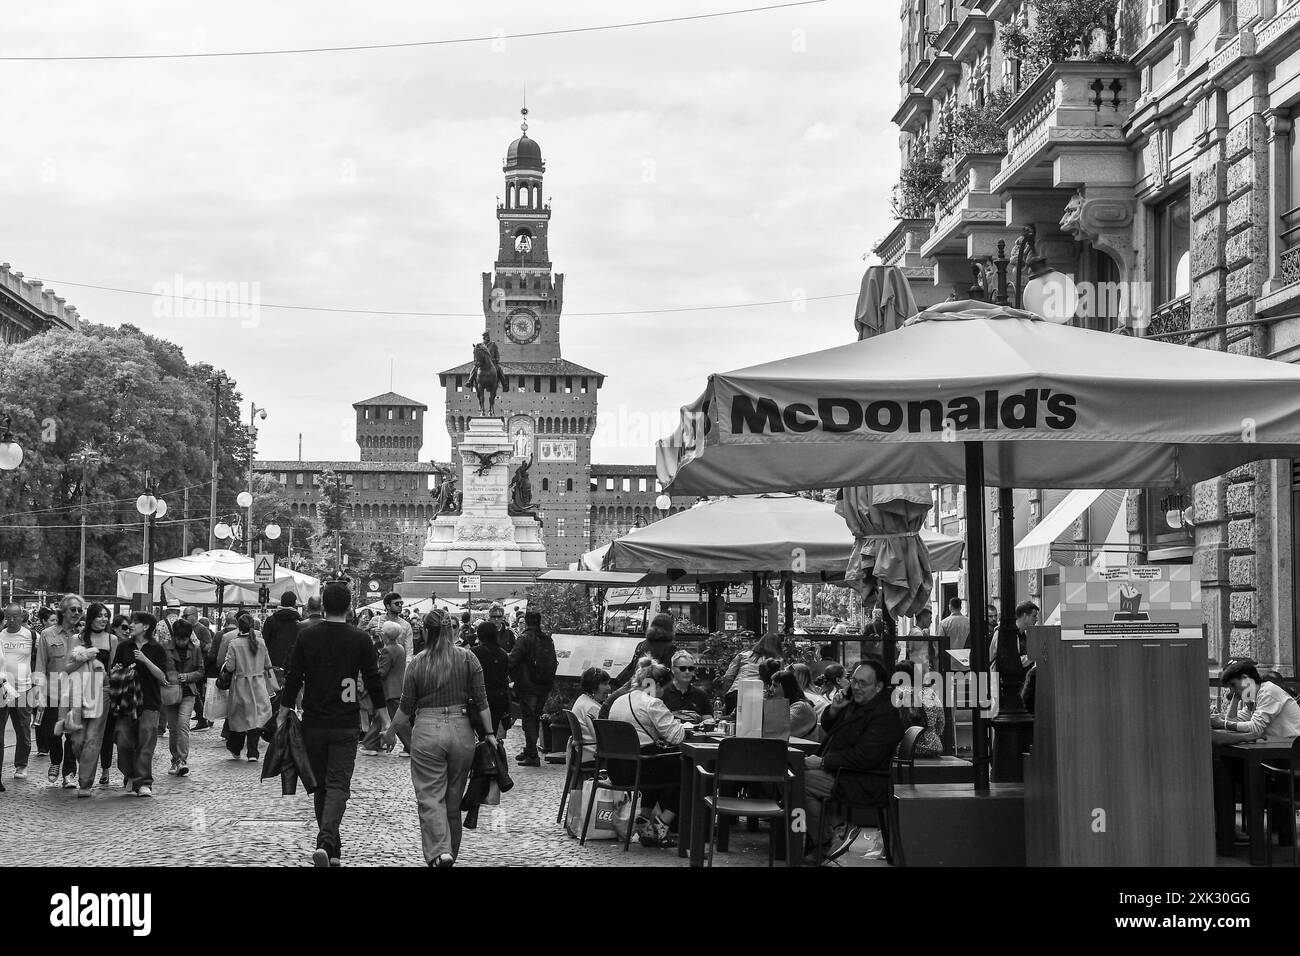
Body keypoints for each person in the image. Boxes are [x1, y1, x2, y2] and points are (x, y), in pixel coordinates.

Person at [279, 581, 388, 867]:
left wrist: (283, 710)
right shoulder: (360, 639)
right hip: (346, 722)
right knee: (338, 784)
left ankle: (328, 845)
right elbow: (373, 679)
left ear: (323, 606)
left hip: (314, 721)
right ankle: (329, 844)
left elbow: (294, 677)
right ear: (350, 607)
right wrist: (384, 715)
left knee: (320, 786)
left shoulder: (307, 636)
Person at [382, 610, 495, 867]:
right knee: (453, 801)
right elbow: (482, 702)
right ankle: (450, 857)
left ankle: (440, 851)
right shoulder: (468, 659)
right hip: (462, 730)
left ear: (425, 631)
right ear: (451, 630)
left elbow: (405, 708)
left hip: (428, 732)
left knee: (431, 797)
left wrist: (390, 733)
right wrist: (489, 734)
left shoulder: (418, 663)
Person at [802, 659, 904, 863]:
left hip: (862, 780)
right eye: (853, 681)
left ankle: (832, 834)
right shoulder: (857, 704)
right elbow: (831, 729)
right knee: (791, 774)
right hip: (841, 771)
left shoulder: (885, 715)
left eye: (863, 683)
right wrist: (835, 709)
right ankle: (830, 830)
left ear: (879, 686)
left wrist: (822, 763)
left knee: (797, 781)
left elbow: (864, 757)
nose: (856, 687)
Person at [607, 660, 685, 845]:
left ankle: (645, 817)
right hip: (639, 769)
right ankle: (661, 826)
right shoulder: (652, 703)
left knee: (659, 766)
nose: (663, 693)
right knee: (685, 769)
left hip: (616, 769)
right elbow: (676, 736)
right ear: (655, 685)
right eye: (662, 688)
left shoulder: (619, 701)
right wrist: (684, 725)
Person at [112, 612, 170, 797]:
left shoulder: (157, 649)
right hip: (127, 701)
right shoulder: (123, 647)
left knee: (146, 742)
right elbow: (115, 670)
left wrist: (145, 660)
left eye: (135, 622)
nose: (131, 625)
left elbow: (163, 677)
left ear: (145, 627)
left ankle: (144, 782)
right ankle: (130, 773)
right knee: (122, 739)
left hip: (149, 701)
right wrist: (118, 671)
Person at [65, 603, 117, 797]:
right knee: (77, 740)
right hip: (78, 690)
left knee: (94, 738)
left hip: (102, 691)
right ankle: (86, 765)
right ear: (91, 618)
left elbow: (113, 670)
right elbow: (67, 668)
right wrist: (82, 657)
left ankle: (85, 783)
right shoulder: (75, 639)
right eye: (100, 616)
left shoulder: (112, 639)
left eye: (106, 616)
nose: (103, 619)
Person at [34, 594, 85, 787]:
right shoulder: (48, 634)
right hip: (53, 691)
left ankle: (69, 773)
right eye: (73, 609)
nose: (77, 613)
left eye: (80, 610)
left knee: (72, 735)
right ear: (63, 611)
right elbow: (40, 664)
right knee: (52, 733)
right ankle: (55, 761)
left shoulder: (84, 635)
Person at [221, 613, 274, 762]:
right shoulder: (261, 643)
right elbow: (268, 664)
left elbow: (230, 667)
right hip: (258, 684)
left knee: (239, 717)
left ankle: (236, 748)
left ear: (239, 626)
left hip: (241, 684)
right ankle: (252, 752)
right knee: (256, 718)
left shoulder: (234, 643)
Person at [508, 610, 557, 767]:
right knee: (535, 717)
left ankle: (532, 755)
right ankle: (530, 750)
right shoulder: (547, 639)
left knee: (529, 719)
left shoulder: (524, 638)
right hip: (544, 686)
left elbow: (512, 660)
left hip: (528, 687)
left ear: (526, 622)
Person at [1211, 660, 1300, 739]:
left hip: (1293, 748)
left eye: (1233, 685)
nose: (1232, 691)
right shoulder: (1254, 698)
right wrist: (1236, 697)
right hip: (1280, 747)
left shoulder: (1268, 692)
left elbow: (1255, 729)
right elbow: (1232, 722)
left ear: (1245, 679)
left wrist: (1223, 723)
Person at [163, 619, 205, 777]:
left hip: (188, 692)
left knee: (182, 725)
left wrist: (187, 676)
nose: (181, 642)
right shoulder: (165, 648)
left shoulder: (195, 649)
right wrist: (167, 677)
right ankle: (175, 760)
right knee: (173, 727)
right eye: (179, 639)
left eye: (184, 639)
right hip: (171, 692)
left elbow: (201, 671)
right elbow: (161, 668)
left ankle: (182, 760)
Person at [1, 602, 36, 780]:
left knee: (23, 729)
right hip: (4, 691)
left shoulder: (31, 635)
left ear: (22, 617)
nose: (11, 620)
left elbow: (39, 658)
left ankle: (21, 765)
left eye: (15, 617)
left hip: (23, 689)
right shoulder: (1, 636)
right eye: (8, 617)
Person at [361, 622, 407, 756]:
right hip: (398, 688)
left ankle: (410, 745)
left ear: (385, 635)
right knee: (379, 718)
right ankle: (371, 744)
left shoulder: (388, 650)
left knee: (398, 722)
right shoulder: (400, 648)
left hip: (388, 690)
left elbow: (382, 671)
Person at [720, 632, 782, 713]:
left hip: (736, 693)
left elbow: (728, 676)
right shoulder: (777, 661)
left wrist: (728, 693)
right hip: (760, 696)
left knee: (732, 724)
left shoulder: (743, 655)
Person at [892, 662, 944, 756]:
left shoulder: (895, 694)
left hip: (903, 750)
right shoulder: (930, 693)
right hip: (932, 748)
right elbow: (940, 723)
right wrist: (931, 735)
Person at [261, 592, 301, 712]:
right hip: (294, 666)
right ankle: (287, 723)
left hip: (272, 665)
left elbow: (264, 644)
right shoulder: (299, 622)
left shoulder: (270, 620)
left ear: (281, 603)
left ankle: (272, 722)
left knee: (272, 697)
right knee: (290, 698)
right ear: (294, 604)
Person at [470, 620, 511, 737]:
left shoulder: (473, 653)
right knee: (493, 728)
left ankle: (482, 753)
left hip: (479, 698)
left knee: (479, 732)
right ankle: (491, 752)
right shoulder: (503, 654)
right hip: (499, 698)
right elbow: (505, 676)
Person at [613, 613, 676, 685]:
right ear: (670, 628)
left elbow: (633, 666)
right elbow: (667, 672)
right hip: (653, 687)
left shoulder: (641, 644)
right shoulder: (670, 647)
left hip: (636, 683)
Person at [571, 667, 610, 762]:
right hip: (593, 755)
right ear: (593, 687)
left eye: (608, 684)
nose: (609, 688)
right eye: (604, 684)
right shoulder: (592, 708)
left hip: (584, 752)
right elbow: (602, 739)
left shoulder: (582, 699)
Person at [989, 601, 1039, 670]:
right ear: (1025, 616)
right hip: (1002, 678)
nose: (1036, 619)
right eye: (1034, 616)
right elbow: (1009, 662)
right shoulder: (1004, 634)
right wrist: (1032, 657)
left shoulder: (1024, 634)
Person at [661, 651, 710, 718]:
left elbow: (708, 720)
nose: (687, 672)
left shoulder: (701, 695)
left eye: (690, 669)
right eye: (682, 668)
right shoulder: (661, 695)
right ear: (673, 669)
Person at [772, 669, 818, 738]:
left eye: (775, 686)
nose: (770, 689)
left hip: (804, 747)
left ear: (785, 687)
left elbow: (778, 730)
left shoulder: (800, 707)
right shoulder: (788, 704)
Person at [373, 593, 413, 661]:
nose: (400, 605)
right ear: (388, 606)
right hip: (379, 662)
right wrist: (372, 633)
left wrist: (407, 665)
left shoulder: (406, 625)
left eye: (401, 603)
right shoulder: (376, 621)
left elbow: (409, 649)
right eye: (397, 603)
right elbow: (364, 639)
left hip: (397, 664)